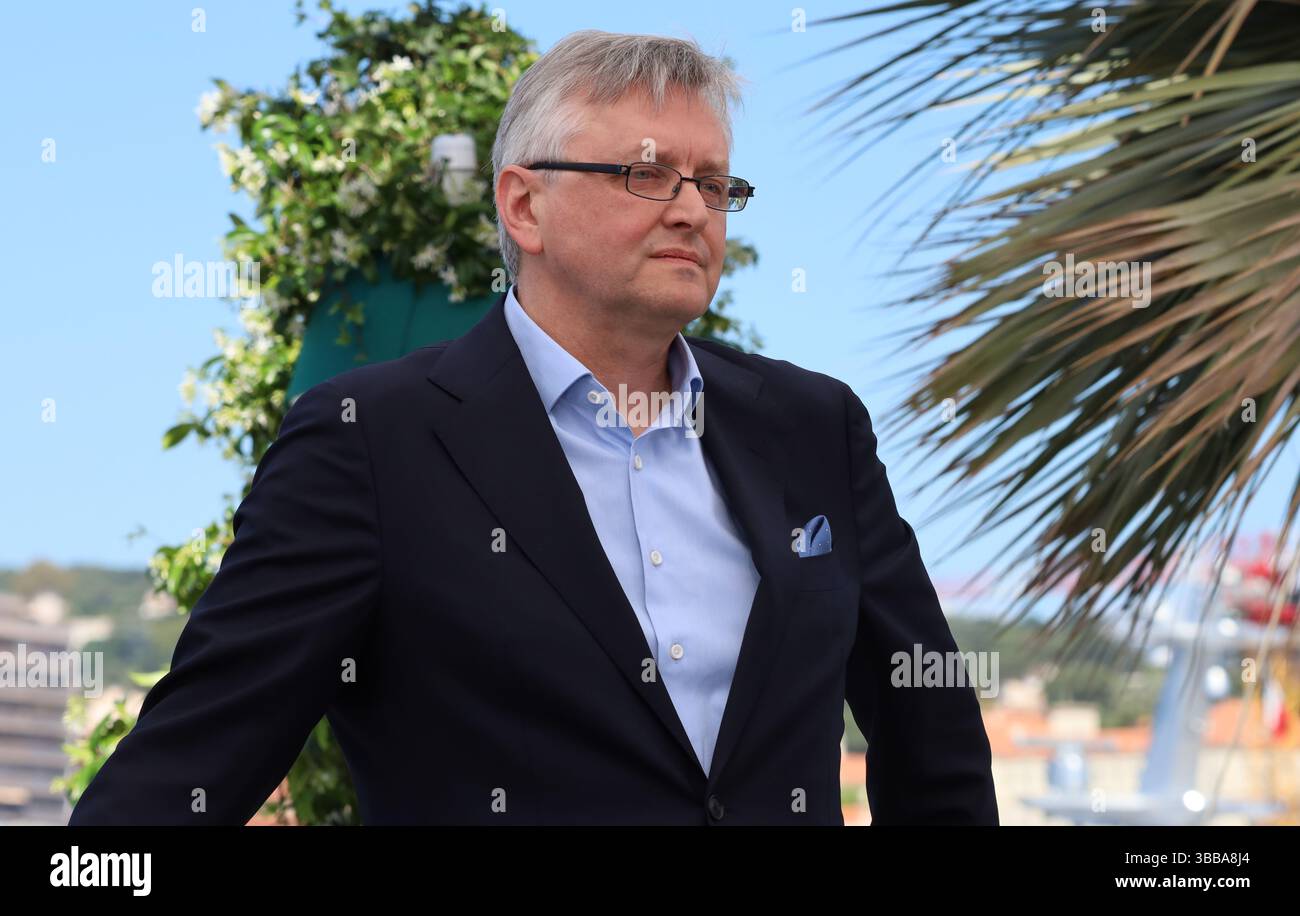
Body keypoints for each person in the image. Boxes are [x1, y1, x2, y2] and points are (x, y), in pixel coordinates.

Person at [70, 29, 997, 825]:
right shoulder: (370, 441)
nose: (689, 209)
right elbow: (194, 761)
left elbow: (933, 734)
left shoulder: (813, 427)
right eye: (646, 173)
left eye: (713, 184)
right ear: (524, 205)